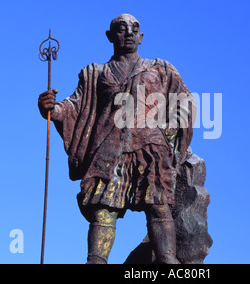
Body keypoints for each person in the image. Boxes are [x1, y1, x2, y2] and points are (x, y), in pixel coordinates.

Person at [38, 14, 195, 264]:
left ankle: (167, 259)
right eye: (122, 29)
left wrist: (168, 129)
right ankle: (96, 261)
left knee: (158, 205)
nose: (129, 33)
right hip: (109, 148)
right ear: (110, 36)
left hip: (150, 147)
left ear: (141, 38)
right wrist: (51, 108)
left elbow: (185, 101)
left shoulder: (161, 69)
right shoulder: (95, 73)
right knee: (103, 209)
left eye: (135, 29)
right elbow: (73, 107)